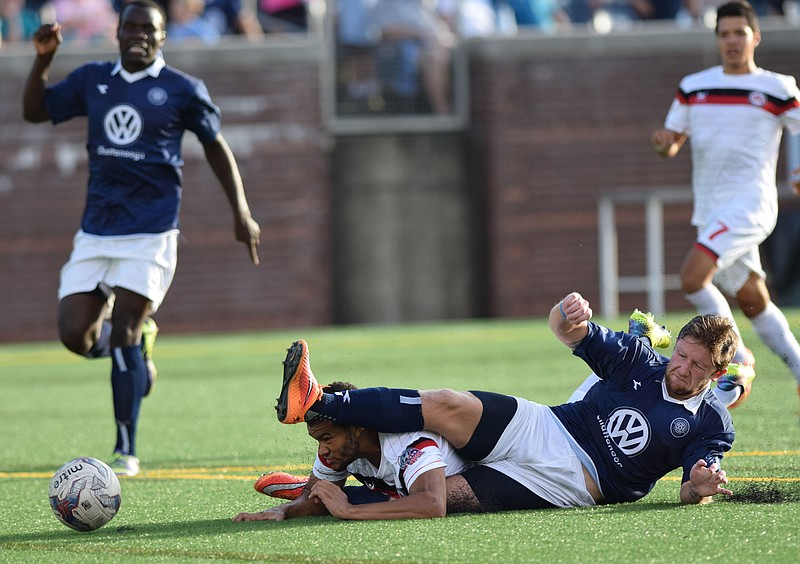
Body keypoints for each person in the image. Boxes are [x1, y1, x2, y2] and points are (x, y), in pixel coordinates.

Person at [22, 0, 261, 477]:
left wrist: (241, 211)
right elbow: (34, 111)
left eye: (148, 29)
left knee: (126, 329)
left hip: (150, 234)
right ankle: (135, 344)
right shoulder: (93, 80)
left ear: (163, 36)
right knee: (74, 334)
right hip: (96, 231)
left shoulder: (182, 89)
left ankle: (124, 449)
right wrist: (44, 60)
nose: (138, 35)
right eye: (130, 26)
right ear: (118, 32)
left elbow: (216, 147)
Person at [266, 291, 738, 515]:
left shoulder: (712, 424)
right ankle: (317, 400)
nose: (680, 368)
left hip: (572, 484)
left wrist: (700, 484)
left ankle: (316, 497)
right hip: (548, 426)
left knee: (436, 498)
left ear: (716, 375)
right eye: (680, 355)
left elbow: (687, 491)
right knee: (447, 402)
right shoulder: (639, 359)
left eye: (696, 367)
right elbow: (565, 331)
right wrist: (567, 312)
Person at [651, 0, 800, 410]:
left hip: (752, 204)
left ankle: (736, 359)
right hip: (712, 211)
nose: (732, 41)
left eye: (740, 33)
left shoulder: (778, 86)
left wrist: (796, 171)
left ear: (756, 37)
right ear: (717, 39)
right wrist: (662, 143)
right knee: (754, 299)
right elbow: (672, 141)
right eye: (725, 34)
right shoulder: (694, 85)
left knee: (693, 278)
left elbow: (798, 128)